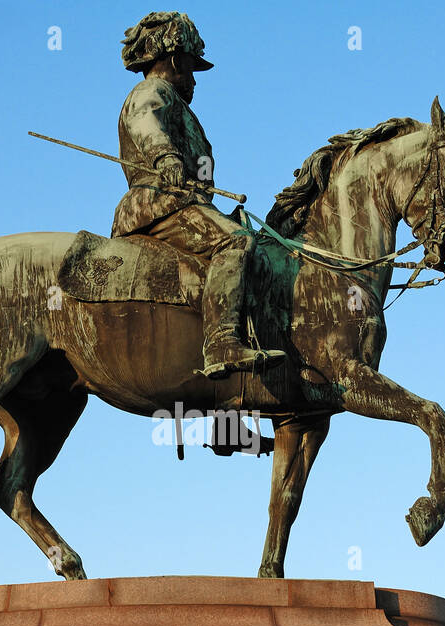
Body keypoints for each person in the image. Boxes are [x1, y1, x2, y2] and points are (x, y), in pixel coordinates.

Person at [114, 12, 285, 379]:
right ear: (175, 59)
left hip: (185, 204)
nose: (193, 79)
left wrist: (210, 201)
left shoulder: (186, 112)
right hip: (158, 204)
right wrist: (166, 156)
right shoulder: (153, 92)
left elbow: (203, 173)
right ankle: (222, 342)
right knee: (236, 242)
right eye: (190, 68)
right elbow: (146, 121)